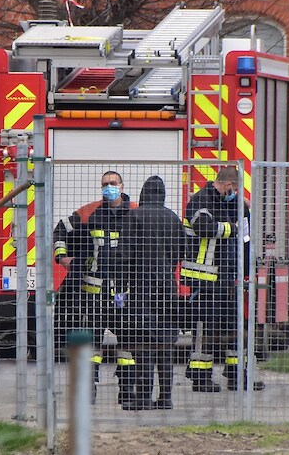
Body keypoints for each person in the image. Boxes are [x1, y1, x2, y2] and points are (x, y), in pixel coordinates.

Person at [51, 170, 136, 404]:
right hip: (95, 293)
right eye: (105, 184)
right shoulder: (89, 212)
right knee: (92, 345)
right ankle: (88, 391)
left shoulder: (137, 212)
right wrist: (62, 257)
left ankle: (127, 393)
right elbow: (60, 230)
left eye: (112, 183)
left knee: (127, 347)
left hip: (124, 293)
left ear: (122, 185)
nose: (109, 187)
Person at [181, 165, 264, 392]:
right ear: (227, 185)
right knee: (206, 328)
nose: (236, 193)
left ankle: (237, 376)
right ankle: (200, 377)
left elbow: (245, 237)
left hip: (228, 278)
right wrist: (233, 226)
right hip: (204, 278)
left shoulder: (232, 203)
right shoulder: (201, 200)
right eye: (235, 189)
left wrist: (246, 210)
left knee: (234, 326)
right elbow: (204, 227)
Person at [116, 175, 186, 410]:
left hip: (141, 287)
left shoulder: (134, 216)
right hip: (167, 287)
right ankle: (165, 398)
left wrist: (121, 287)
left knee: (144, 343)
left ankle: (144, 397)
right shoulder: (173, 218)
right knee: (165, 343)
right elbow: (180, 252)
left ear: (143, 192)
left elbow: (124, 256)